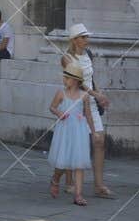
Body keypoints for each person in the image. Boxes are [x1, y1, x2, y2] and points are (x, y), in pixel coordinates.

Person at [62, 26, 113, 199]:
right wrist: (95, 94)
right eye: (83, 37)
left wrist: (99, 95)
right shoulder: (67, 58)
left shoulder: (88, 54)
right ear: (75, 39)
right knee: (74, 141)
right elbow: (77, 81)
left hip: (90, 102)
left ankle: (99, 185)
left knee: (99, 141)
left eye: (86, 37)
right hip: (75, 102)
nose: (86, 40)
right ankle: (68, 181)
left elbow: (90, 79)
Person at [48, 64, 93, 205]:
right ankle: (55, 179)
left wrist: (93, 131)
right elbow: (52, 107)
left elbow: (88, 114)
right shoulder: (61, 93)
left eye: (66, 78)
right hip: (65, 130)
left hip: (79, 131)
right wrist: (59, 113)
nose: (64, 80)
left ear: (75, 80)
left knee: (79, 163)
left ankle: (78, 195)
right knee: (62, 161)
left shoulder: (84, 96)